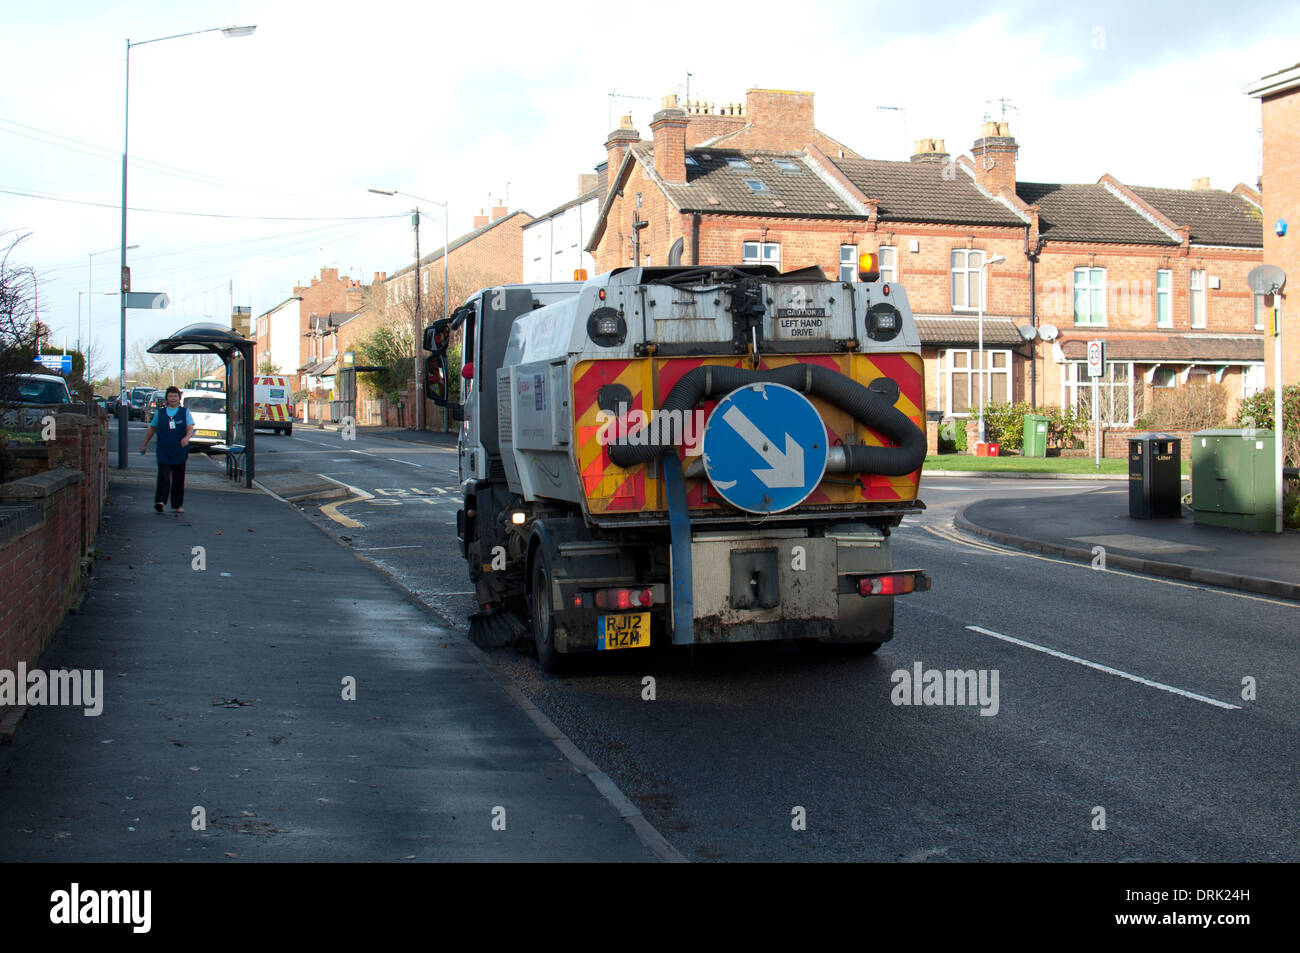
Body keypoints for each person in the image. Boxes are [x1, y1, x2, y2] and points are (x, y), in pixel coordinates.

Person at [140, 386, 195, 514]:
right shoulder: (160, 413)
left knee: (178, 479)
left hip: (180, 451)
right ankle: (160, 502)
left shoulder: (185, 412)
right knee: (163, 477)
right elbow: (152, 430)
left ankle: (177, 505)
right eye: (170, 396)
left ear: (178, 398)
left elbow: (190, 428)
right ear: (166, 398)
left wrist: (187, 438)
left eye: (175, 396)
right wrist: (144, 444)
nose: (173, 398)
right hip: (164, 450)